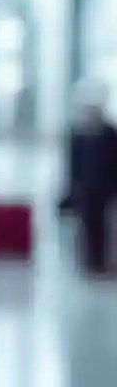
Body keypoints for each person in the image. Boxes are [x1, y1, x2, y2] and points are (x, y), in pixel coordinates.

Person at [69, 79, 117, 275]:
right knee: (86, 225)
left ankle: (100, 261)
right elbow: (74, 163)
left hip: (105, 187)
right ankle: (88, 262)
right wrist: (72, 186)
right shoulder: (79, 133)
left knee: (103, 228)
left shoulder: (110, 133)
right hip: (85, 188)